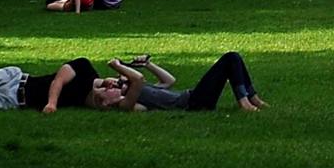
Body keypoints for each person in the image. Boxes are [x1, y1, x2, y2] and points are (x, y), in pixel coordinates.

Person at [91, 54, 266, 112]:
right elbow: (137, 79)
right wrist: (117, 67)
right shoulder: (128, 103)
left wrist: (148, 65)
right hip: (192, 103)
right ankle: (244, 101)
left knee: (233, 58)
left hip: (193, 98)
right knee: (230, 58)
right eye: (106, 90)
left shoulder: (137, 91)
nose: (111, 85)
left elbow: (169, 81)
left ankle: (253, 98)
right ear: (107, 103)